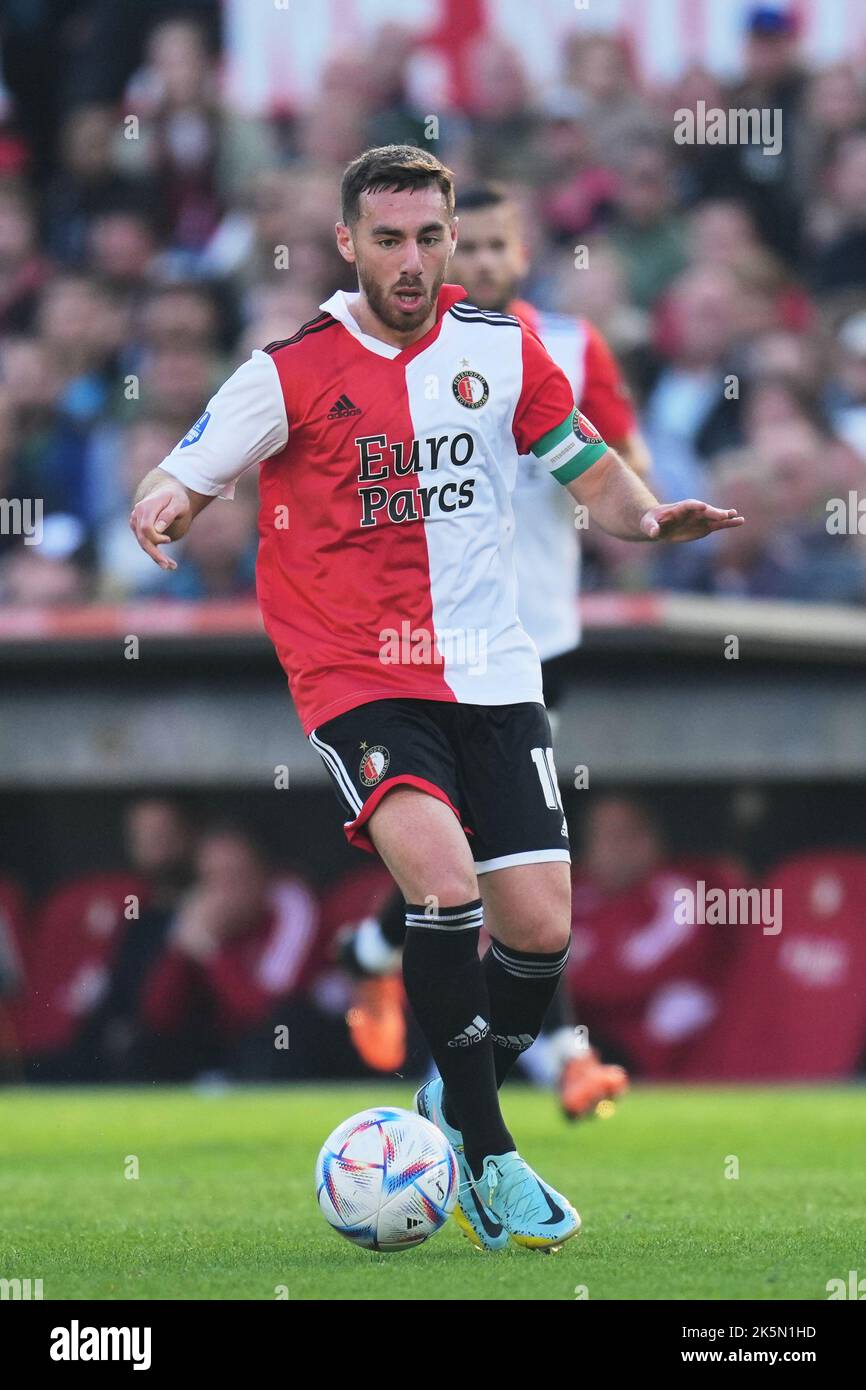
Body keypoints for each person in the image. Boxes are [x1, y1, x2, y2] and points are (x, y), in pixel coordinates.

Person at [130, 144, 743, 1253]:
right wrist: (164, 503)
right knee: (445, 885)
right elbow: (187, 468)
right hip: (355, 673)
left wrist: (646, 519)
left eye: (426, 238)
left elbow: (585, 467)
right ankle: (490, 1149)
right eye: (386, 239)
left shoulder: (504, 349)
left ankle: (442, 1108)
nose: (408, 262)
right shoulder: (289, 369)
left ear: (451, 240)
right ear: (345, 244)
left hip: (491, 670)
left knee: (541, 930)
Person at [336, 182, 646, 1118]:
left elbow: (621, 460)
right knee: (489, 858)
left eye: (490, 247)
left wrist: (652, 523)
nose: (475, 266)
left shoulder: (567, 347)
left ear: (515, 251)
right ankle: (558, 1056)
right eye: (461, 251)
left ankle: (374, 958)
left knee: (514, 856)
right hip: (431, 643)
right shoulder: (393, 355)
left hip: (536, 635)